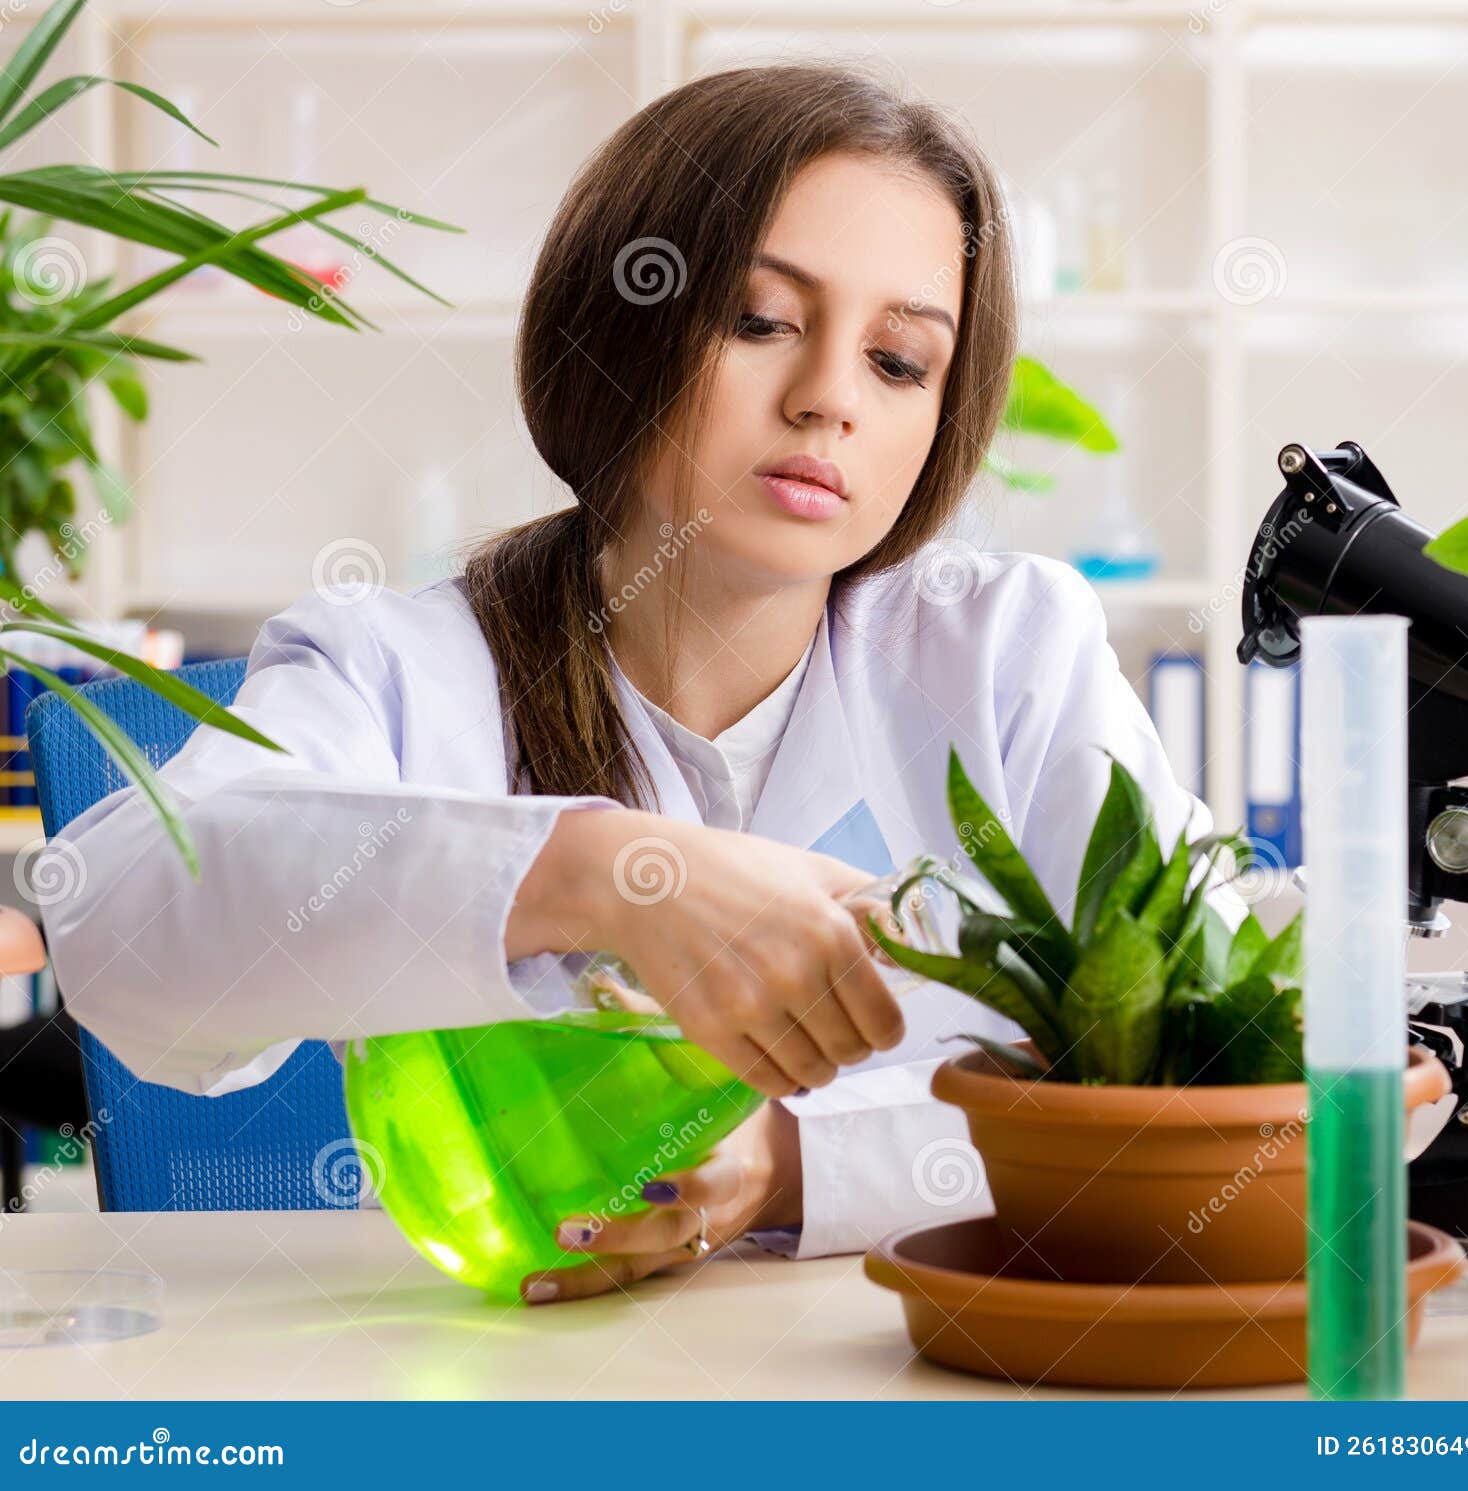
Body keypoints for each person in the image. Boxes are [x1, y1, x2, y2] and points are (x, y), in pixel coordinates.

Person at [42, 62, 1225, 1303]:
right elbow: (122, 934)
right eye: (760, 321)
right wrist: (599, 877)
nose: (827, 399)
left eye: (897, 362)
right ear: (619, 325)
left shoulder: (1000, 651)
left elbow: (1211, 1066)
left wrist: (790, 1166)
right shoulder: (401, 670)